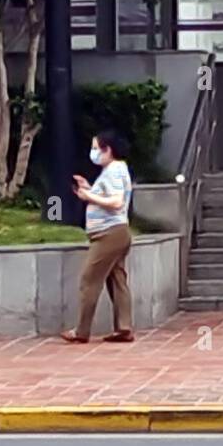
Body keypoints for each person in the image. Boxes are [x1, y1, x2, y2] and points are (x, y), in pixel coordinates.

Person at [61, 129, 135, 344]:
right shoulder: (117, 170)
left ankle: (82, 331)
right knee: (117, 280)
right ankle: (124, 327)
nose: (93, 153)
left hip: (109, 234)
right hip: (117, 232)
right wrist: (90, 190)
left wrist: (88, 195)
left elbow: (116, 202)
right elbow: (110, 198)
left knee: (89, 279)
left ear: (107, 150)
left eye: (96, 148)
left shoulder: (113, 170)